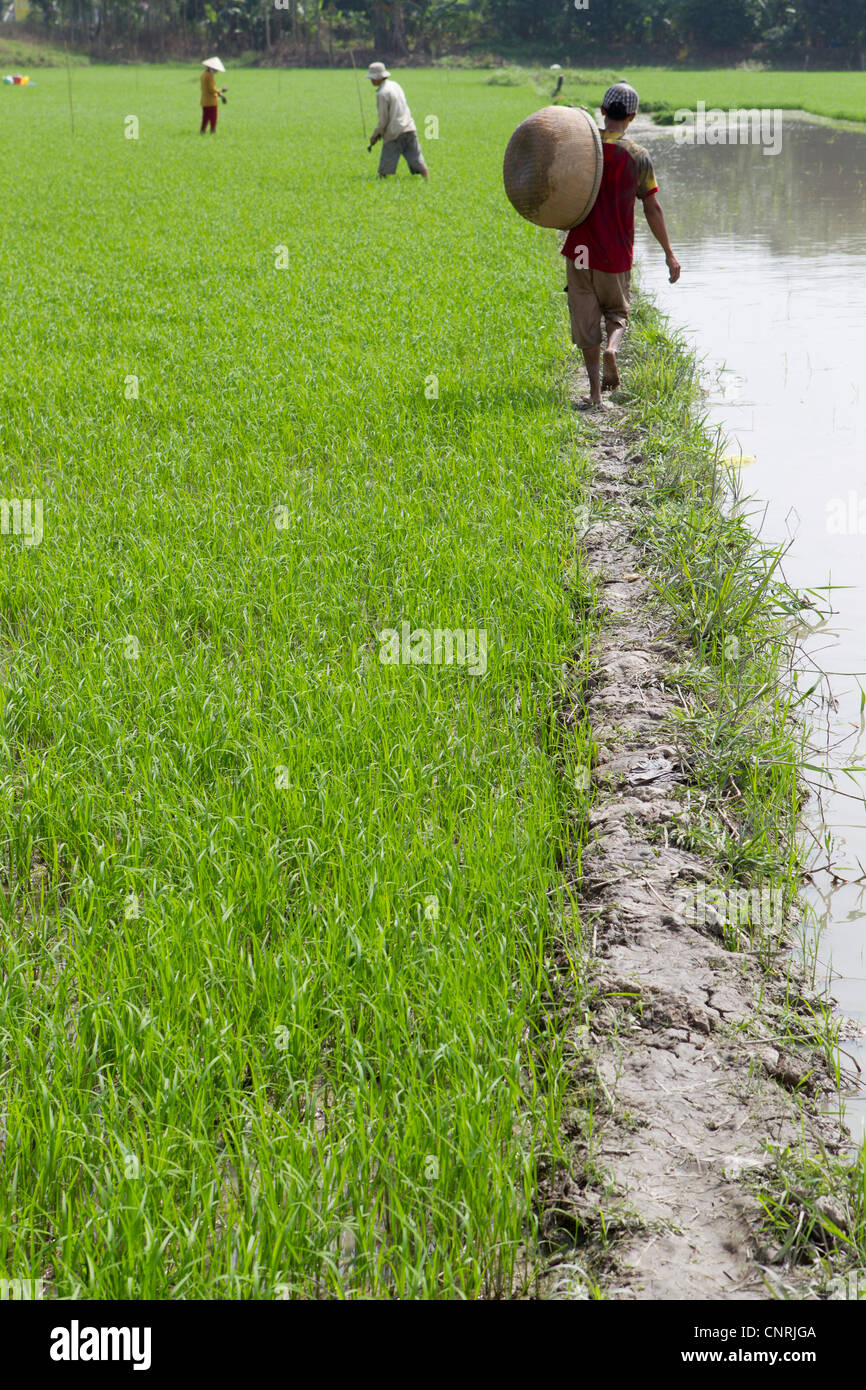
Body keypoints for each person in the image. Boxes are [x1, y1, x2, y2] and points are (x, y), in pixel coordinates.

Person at [561, 81, 680, 408]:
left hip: (581, 250)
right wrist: (669, 254)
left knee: (585, 320)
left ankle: (596, 396)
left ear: (603, 111)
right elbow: (652, 207)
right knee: (616, 313)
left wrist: (578, 119)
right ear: (633, 116)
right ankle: (613, 347)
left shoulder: (586, 146)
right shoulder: (638, 156)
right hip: (615, 251)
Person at [366, 62, 429, 180]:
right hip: (409, 127)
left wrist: (375, 135)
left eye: (372, 78)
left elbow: (383, 120)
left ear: (378, 78)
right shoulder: (395, 85)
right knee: (416, 158)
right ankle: (428, 181)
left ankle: (381, 184)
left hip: (394, 132)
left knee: (385, 166)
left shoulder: (382, 93)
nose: (371, 80)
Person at [200, 58, 226, 135]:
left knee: (205, 118)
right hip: (211, 102)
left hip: (204, 101)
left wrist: (220, 92)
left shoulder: (204, 74)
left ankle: (203, 131)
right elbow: (211, 89)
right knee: (213, 118)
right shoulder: (210, 76)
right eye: (215, 69)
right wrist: (220, 91)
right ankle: (212, 131)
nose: (216, 71)